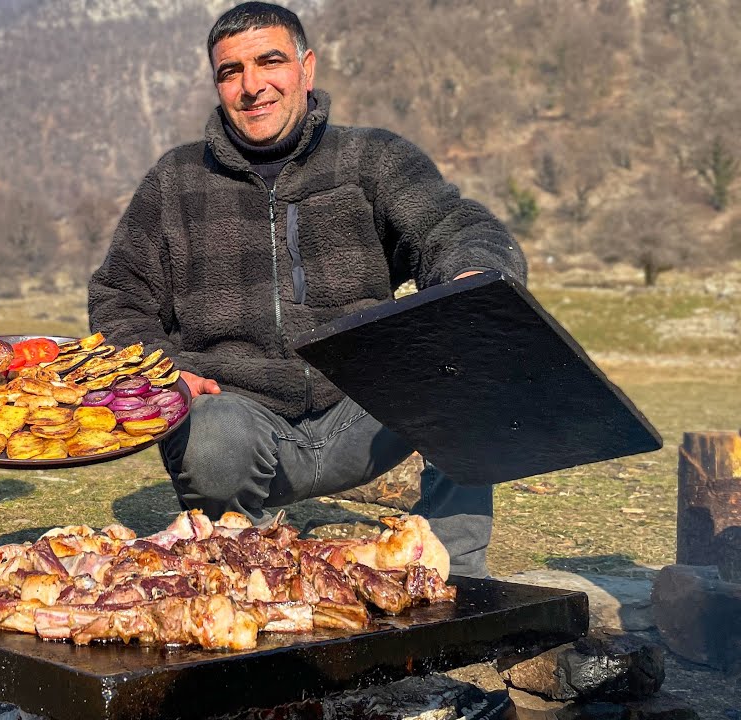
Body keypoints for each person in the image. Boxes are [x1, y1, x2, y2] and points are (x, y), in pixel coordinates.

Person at [88, 2, 527, 579]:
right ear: (217, 84)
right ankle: (239, 572)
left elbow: (457, 228)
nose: (252, 86)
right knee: (211, 434)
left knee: (465, 352)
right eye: (230, 71)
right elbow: (119, 297)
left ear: (306, 68)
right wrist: (162, 370)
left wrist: (472, 277)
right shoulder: (174, 181)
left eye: (270, 61)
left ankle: (455, 574)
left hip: (363, 409)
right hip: (238, 416)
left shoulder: (371, 157)